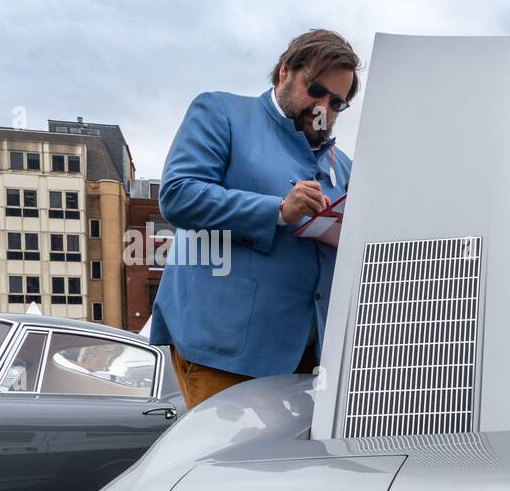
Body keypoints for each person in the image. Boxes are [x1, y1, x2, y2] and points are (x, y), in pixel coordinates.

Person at [150, 29, 361, 408]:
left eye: (336, 103)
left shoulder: (343, 165)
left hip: (312, 361)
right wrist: (277, 212)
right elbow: (179, 194)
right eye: (315, 91)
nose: (322, 110)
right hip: (224, 352)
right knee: (226, 468)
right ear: (283, 72)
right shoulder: (221, 112)